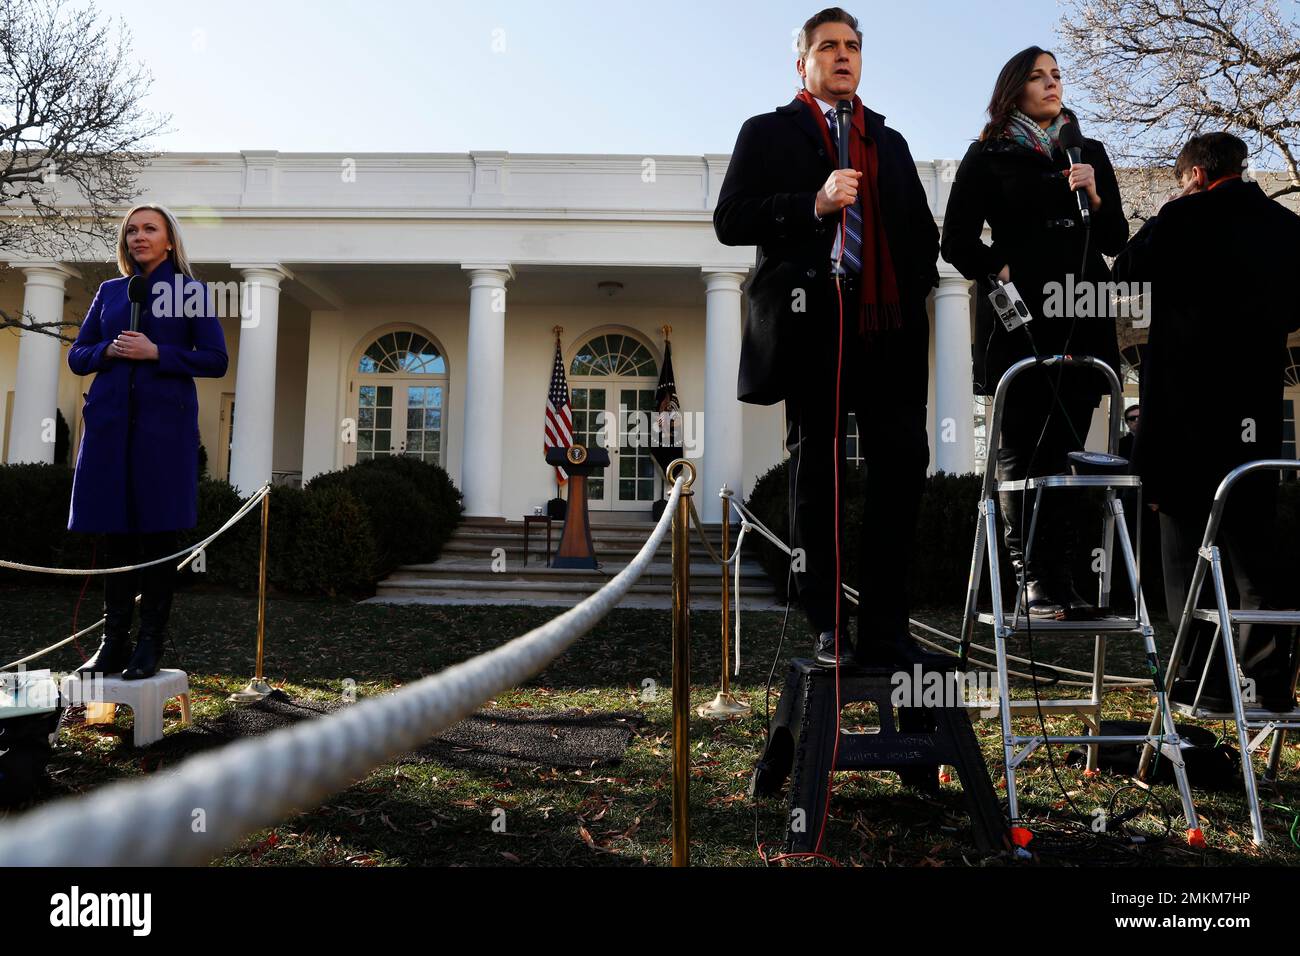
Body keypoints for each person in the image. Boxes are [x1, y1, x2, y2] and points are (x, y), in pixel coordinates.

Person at [714, 7, 939, 667]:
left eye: (853, 46)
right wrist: (811, 204)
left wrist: (911, 287)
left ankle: (887, 629)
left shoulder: (888, 141)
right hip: (815, 322)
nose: (843, 56)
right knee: (819, 475)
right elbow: (731, 219)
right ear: (803, 62)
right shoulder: (767, 132)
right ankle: (828, 623)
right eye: (829, 46)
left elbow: (922, 234)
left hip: (888, 329)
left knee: (903, 467)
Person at [1112, 132, 1300, 712]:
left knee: (1187, 556)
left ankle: (1204, 681)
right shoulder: (1284, 226)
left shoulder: (1181, 219)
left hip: (1184, 418)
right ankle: (1271, 681)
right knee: (1254, 550)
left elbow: (1125, 276)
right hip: (1253, 414)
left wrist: (1165, 222)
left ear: (1194, 174)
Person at [941, 46, 1129, 618]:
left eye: (1057, 75)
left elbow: (1115, 238)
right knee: (1023, 448)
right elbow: (955, 240)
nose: (1052, 84)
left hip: (1083, 315)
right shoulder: (988, 154)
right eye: (1038, 76)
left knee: (1071, 449)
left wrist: (1094, 193)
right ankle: (1033, 581)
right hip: (1021, 321)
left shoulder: (1088, 151)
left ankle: (1067, 582)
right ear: (1014, 89)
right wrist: (999, 267)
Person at [68, 204, 228, 680]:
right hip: (110, 430)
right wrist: (109, 349)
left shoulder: (190, 292)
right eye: (132, 230)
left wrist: (157, 352)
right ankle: (112, 642)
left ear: (169, 240)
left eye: (149, 229)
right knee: (114, 536)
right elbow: (78, 356)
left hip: (164, 433)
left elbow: (215, 359)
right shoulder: (110, 291)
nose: (138, 236)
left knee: (158, 536)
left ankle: (150, 643)